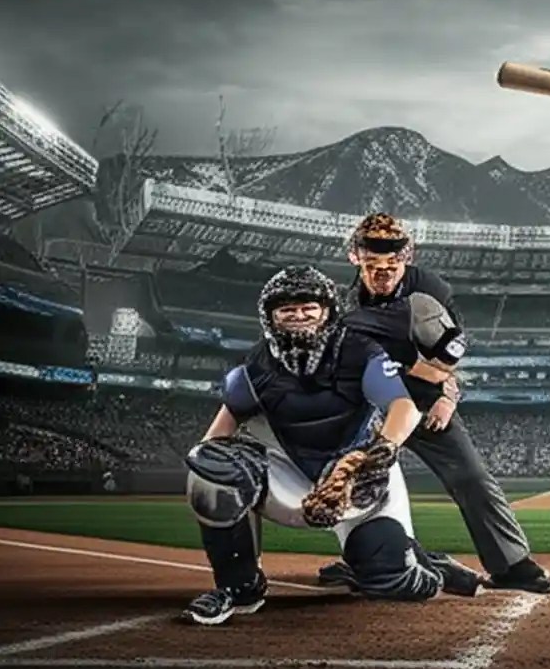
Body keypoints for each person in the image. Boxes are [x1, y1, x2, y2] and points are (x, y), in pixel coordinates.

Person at [182, 266, 482, 626]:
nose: (298, 316)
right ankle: (237, 588)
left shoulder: (360, 352)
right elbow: (216, 438)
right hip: (289, 477)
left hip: (358, 476)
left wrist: (381, 451)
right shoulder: (256, 367)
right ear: (270, 317)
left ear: (328, 312)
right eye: (287, 309)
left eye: (308, 307)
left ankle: (427, 564)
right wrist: (214, 481)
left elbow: (402, 406)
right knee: (211, 470)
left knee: (391, 581)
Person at [315, 213, 550, 594]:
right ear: (355, 257)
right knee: (349, 480)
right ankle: (364, 560)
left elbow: (448, 357)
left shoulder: (429, 290)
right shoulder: (340, 303)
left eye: (392, 262)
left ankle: (512, 565)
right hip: (367, 404)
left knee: (471, 477)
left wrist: (447, 397)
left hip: (423, 399)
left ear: (407, 256)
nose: (383, 272)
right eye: (373, 262)